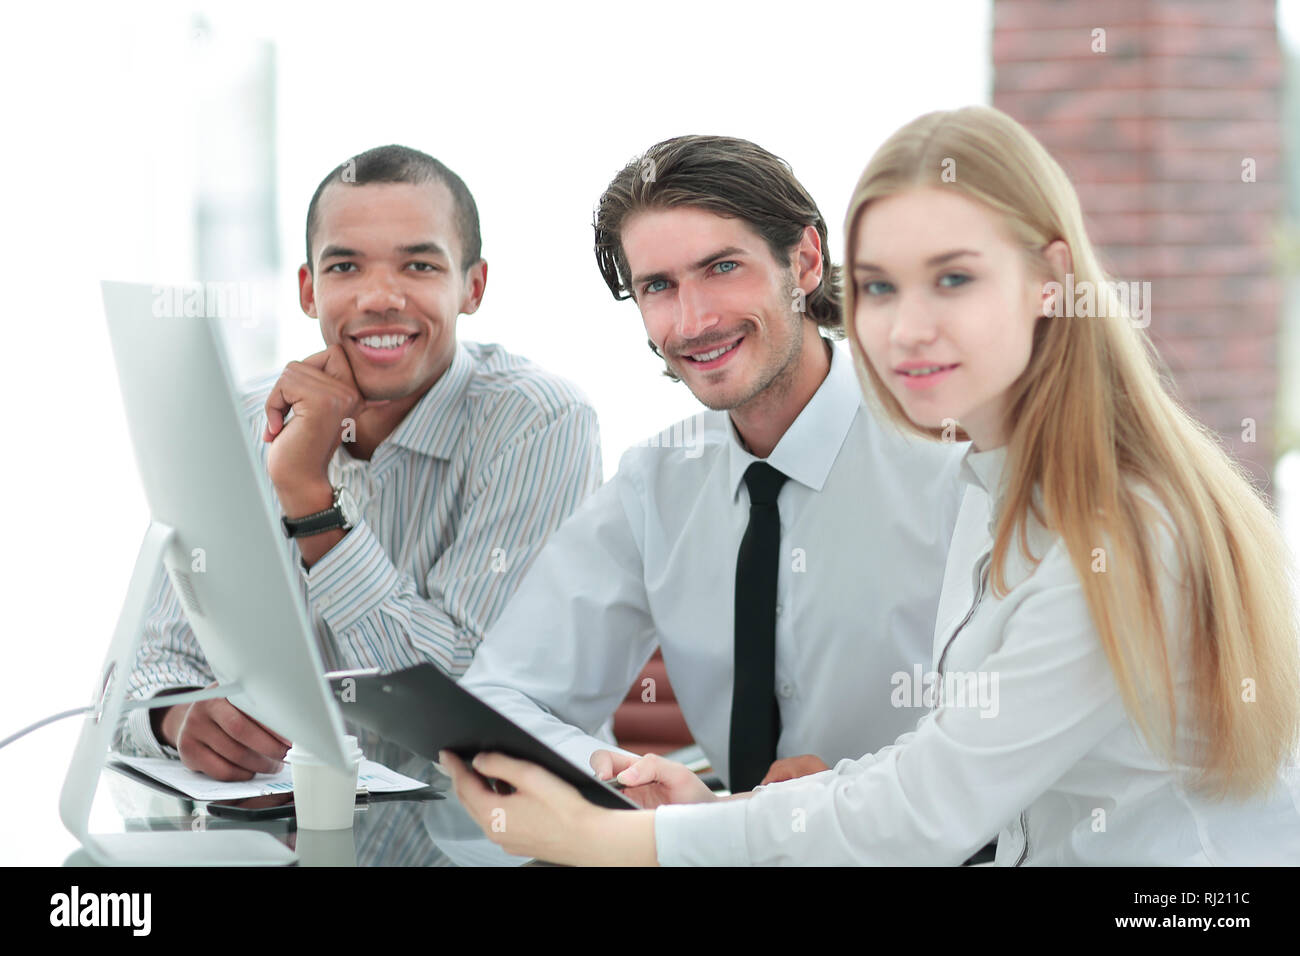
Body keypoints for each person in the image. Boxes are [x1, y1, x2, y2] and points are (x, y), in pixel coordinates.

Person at [443, 106, 1300, 866]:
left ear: (1050, 281)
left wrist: (629, 843)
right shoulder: (994, 486)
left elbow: (929, 805)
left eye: (954, 279)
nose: (907, 326)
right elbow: (944, 766)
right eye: (884, 288)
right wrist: (728, 814)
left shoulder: (1113, 527)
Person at [114, 145, 602, 861]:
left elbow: (468, 709)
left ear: (474, 285)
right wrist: (177, 717)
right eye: (346, 267)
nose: (380, 296)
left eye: (419, 265)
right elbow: (144, 663)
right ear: (309, 290)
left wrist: (313, 507)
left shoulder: (538, 423)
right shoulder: (241, 418)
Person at [456, 135, 965, 801]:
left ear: (805, 261)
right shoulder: (657, 483)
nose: (693, 320)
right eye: (659, 286)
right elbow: (501, 698)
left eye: (723, 268)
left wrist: (853, 796)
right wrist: (628, 782)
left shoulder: (953, 456)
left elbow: (1014, 723)